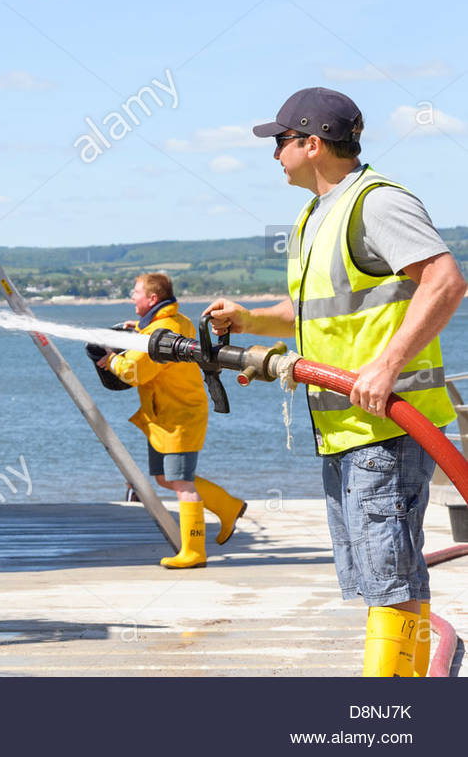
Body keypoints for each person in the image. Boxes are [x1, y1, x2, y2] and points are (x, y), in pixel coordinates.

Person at [205, 87, 464, 677]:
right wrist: (247, 320)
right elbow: (317, 310)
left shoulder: (376, 203)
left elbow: (445, 282)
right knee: (378, 573)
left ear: (312, 144)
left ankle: (390, 709)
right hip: (346, 429)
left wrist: (387, 365)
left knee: (388, 574)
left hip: (385, 427)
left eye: (280, 141)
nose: (274, 154)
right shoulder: (316, 215)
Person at [97, 272, 246, 568]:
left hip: (179, 418)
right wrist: (137, 329)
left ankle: (194, 551)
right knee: (167, 478)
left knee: (182, 483)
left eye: (135, 292)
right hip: (164, 417)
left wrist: (111, 359)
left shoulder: (158, 333)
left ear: (152, 298)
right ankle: (228, 507)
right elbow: (152, 341)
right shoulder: (170, 323)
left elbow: (135, 372)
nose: (132, 297)